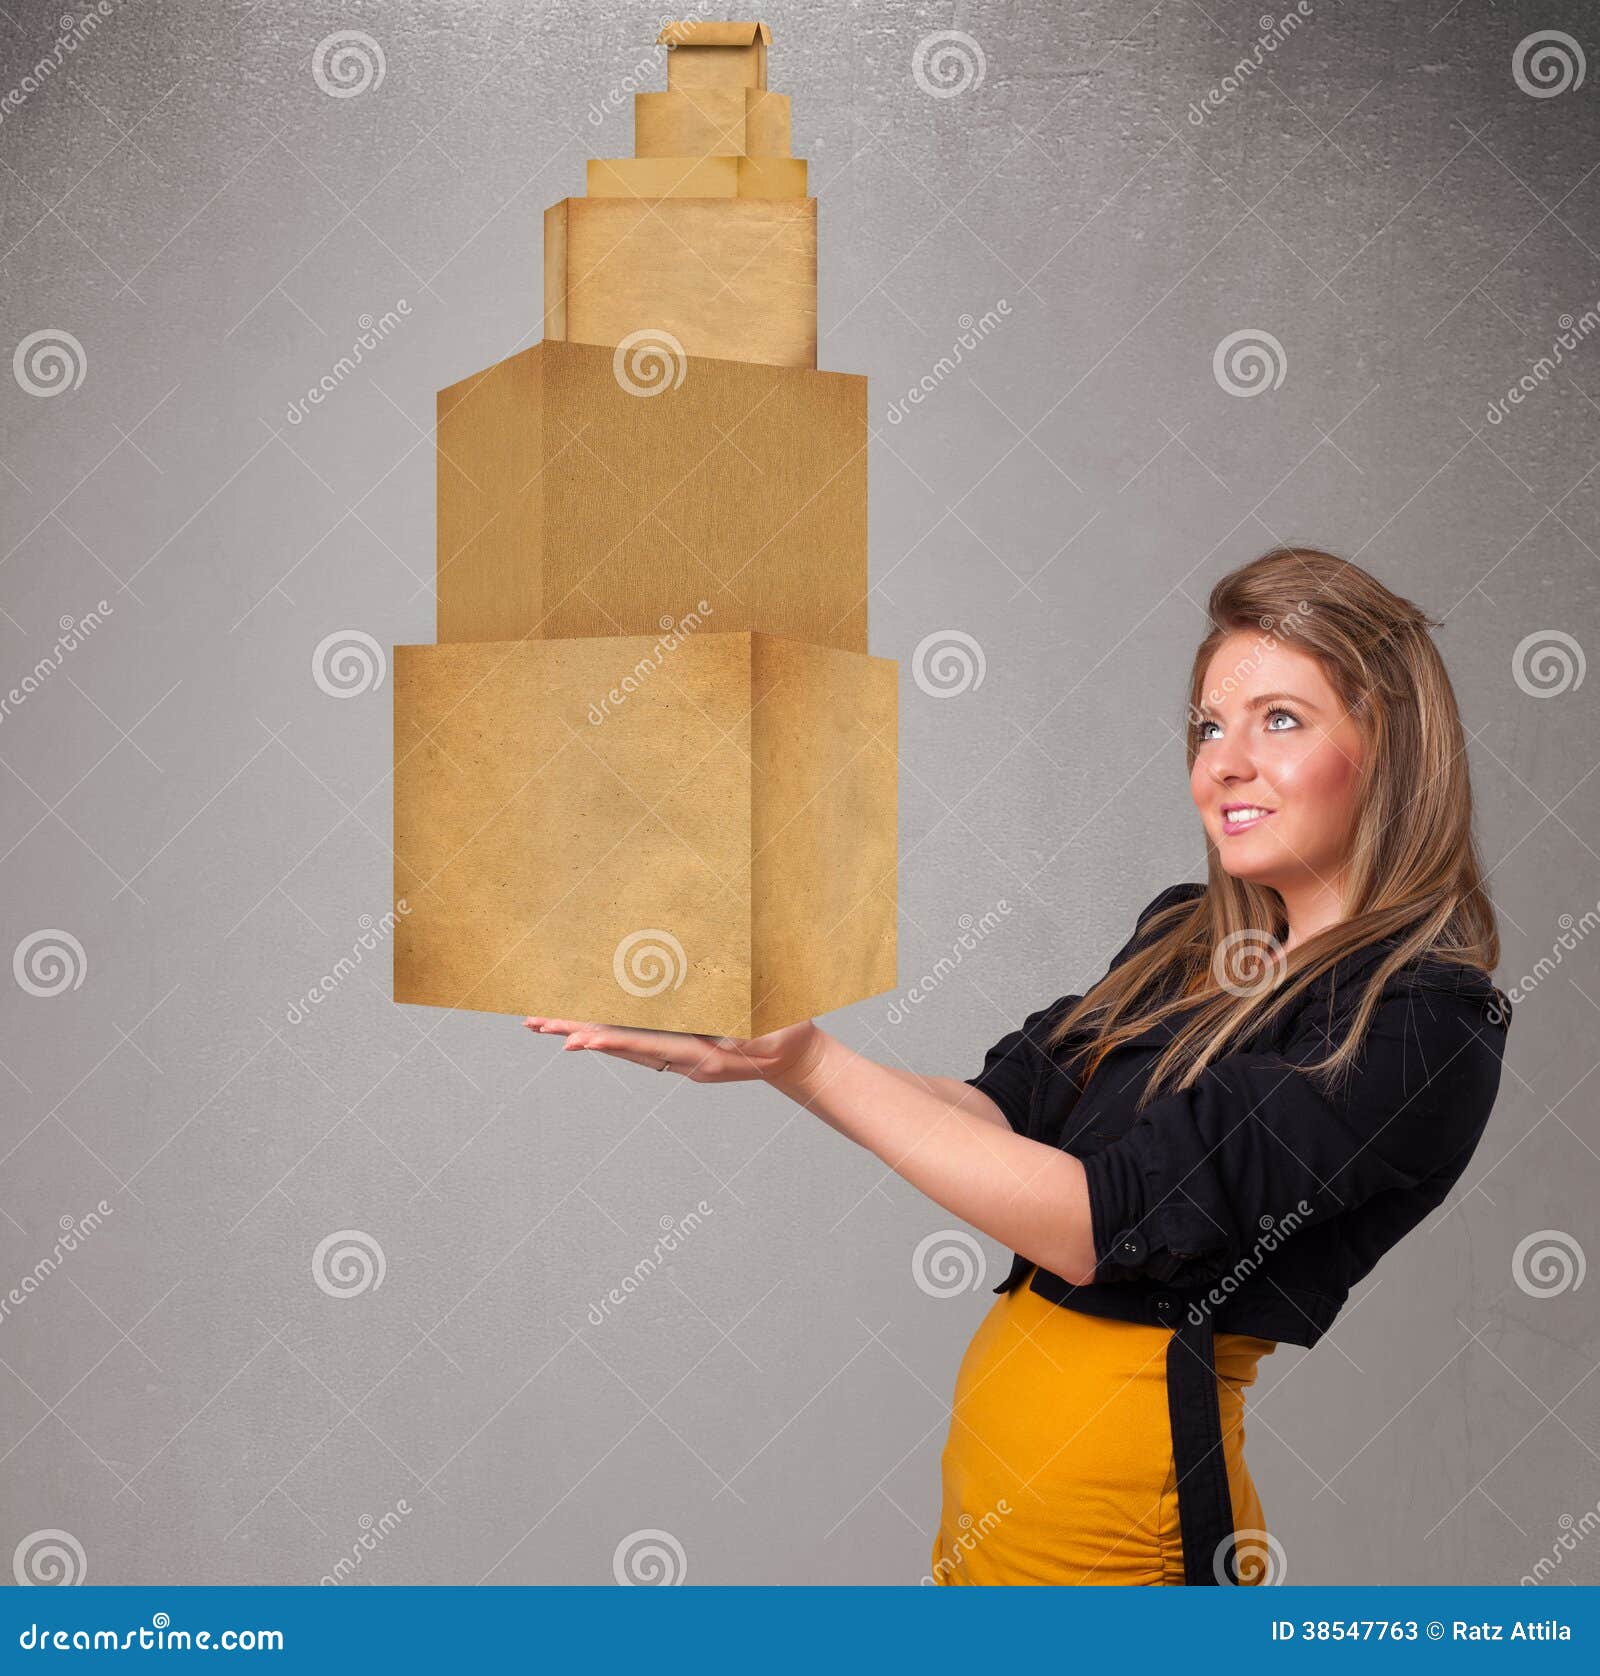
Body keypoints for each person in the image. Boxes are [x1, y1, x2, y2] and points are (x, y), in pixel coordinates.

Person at [522, 545, 1512, 1586]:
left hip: (1126, 1546)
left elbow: (1097, 1222)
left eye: (1279, 719)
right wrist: (771, 1044)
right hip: (994, 1526)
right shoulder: (1183, 939)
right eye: (1208, 725)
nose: (1222, 761)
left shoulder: (1420, 1022)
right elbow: (998, 1111)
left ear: (1390, 745)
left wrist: (811, 1064)